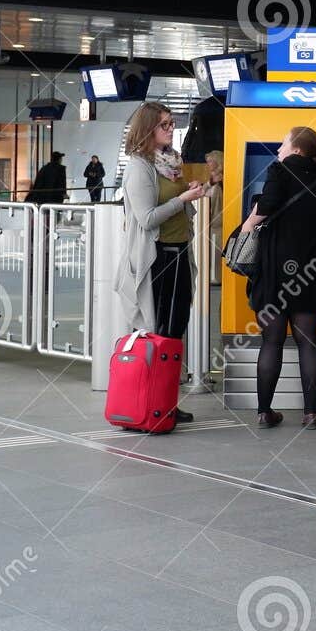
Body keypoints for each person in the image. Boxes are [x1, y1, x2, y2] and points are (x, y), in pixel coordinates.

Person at [114, 104, 206, 424]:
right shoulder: (139, 167)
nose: (170, 129)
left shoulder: (171, 162)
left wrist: (190, 194)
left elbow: (178, 208)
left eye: (172, 123)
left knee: (175, 330)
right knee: (157, 332)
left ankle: (165, 400)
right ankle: (150, 401)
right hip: (158, 258)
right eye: (164, 124)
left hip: (179, 252)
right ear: (148, 129)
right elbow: (147, 218)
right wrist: (182, 200)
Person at [239, 127, 316, 430]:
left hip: (274, 271)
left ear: (295, 150)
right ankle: (310, 413)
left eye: (283, 143)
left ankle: (265, 412)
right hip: (311, 270)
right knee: (308, 342)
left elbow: (266, 207)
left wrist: (247, 226)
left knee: (272, 342)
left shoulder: (278, 172)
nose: (279, 148)